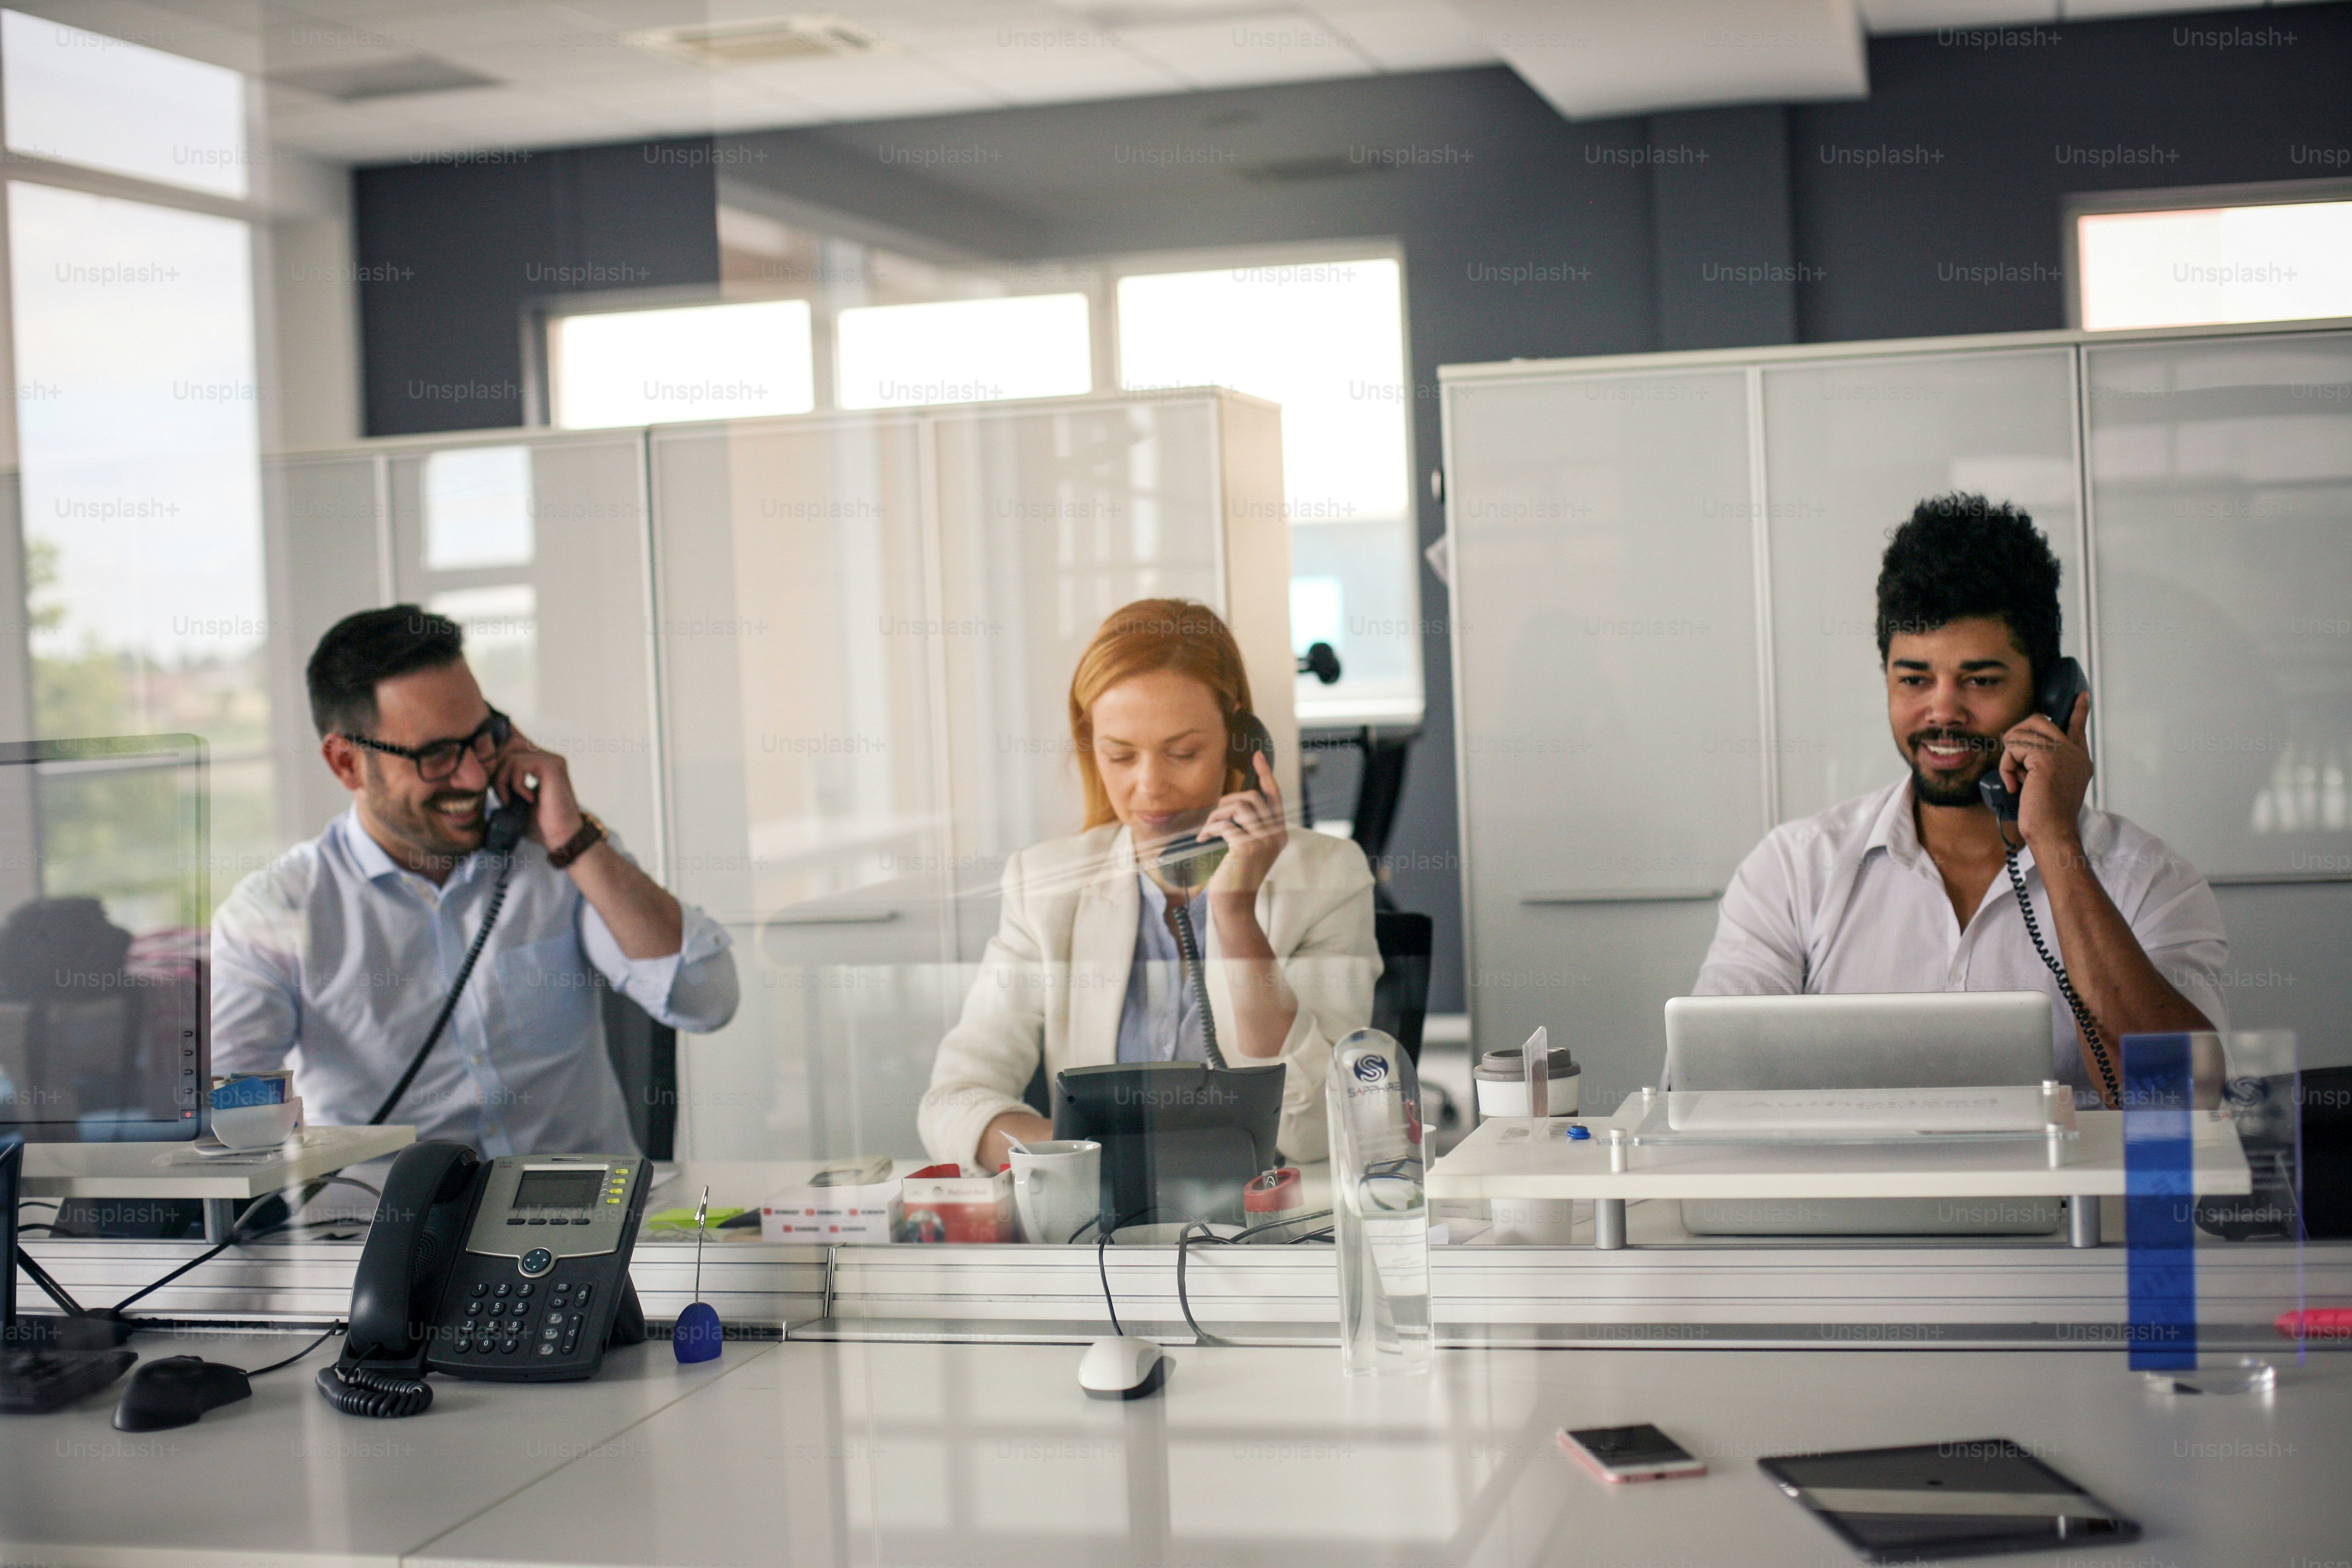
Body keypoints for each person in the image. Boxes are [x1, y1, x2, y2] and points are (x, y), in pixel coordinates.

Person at [1695, 495, 2226, 1106]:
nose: (1943, 710)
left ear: (2050, 694)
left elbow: (2182, 1100)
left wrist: (2056, 843)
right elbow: (1705, 1086)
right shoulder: (1792, 870)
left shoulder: (2151, 879)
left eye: (1980, 680)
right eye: (1914, 679)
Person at [211, 607, 738, 1155]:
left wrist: (572, 839)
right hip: (383, 1210)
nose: (472, 776)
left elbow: (708, 1000)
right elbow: (233, 1127)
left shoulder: (558, 851)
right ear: (347, 763)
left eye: (483, 738)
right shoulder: (276, 910)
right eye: (436, 754)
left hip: (577, 1207)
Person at [919, 599, 1378, 1172]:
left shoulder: (1328, 877)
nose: (1151, 785)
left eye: (1183, 753)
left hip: (1266, 1215)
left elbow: (1319, 1133)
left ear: (1241, 740)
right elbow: (952, 1102)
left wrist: (1236, 914)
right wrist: (1090, 1158)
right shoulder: (1044, 887)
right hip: (1103, 1216)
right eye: (1120, 755)